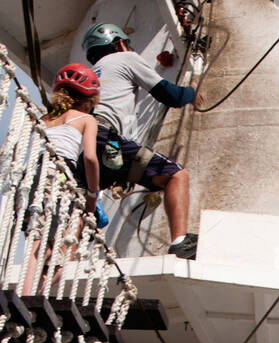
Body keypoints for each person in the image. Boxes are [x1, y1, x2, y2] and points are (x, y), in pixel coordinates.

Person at [80, 21, 200, 259]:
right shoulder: (126, 58)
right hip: (105, 139)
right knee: (175, 174)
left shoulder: (92, 75)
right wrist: (193, 88)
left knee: (82, 206)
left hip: (83, 142)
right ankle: (180, 241)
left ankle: (59, 259)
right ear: (120, 43)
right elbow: (172, 96)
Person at [22, 65, 102, 294]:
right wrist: (92, 194)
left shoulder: (44, 118)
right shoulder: (86, 119)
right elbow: (90, 158)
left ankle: (32, 293)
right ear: (88, 100)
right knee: (47, 244)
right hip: (58, 176)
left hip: (34, 175)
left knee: (46, 241)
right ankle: (27, 296)